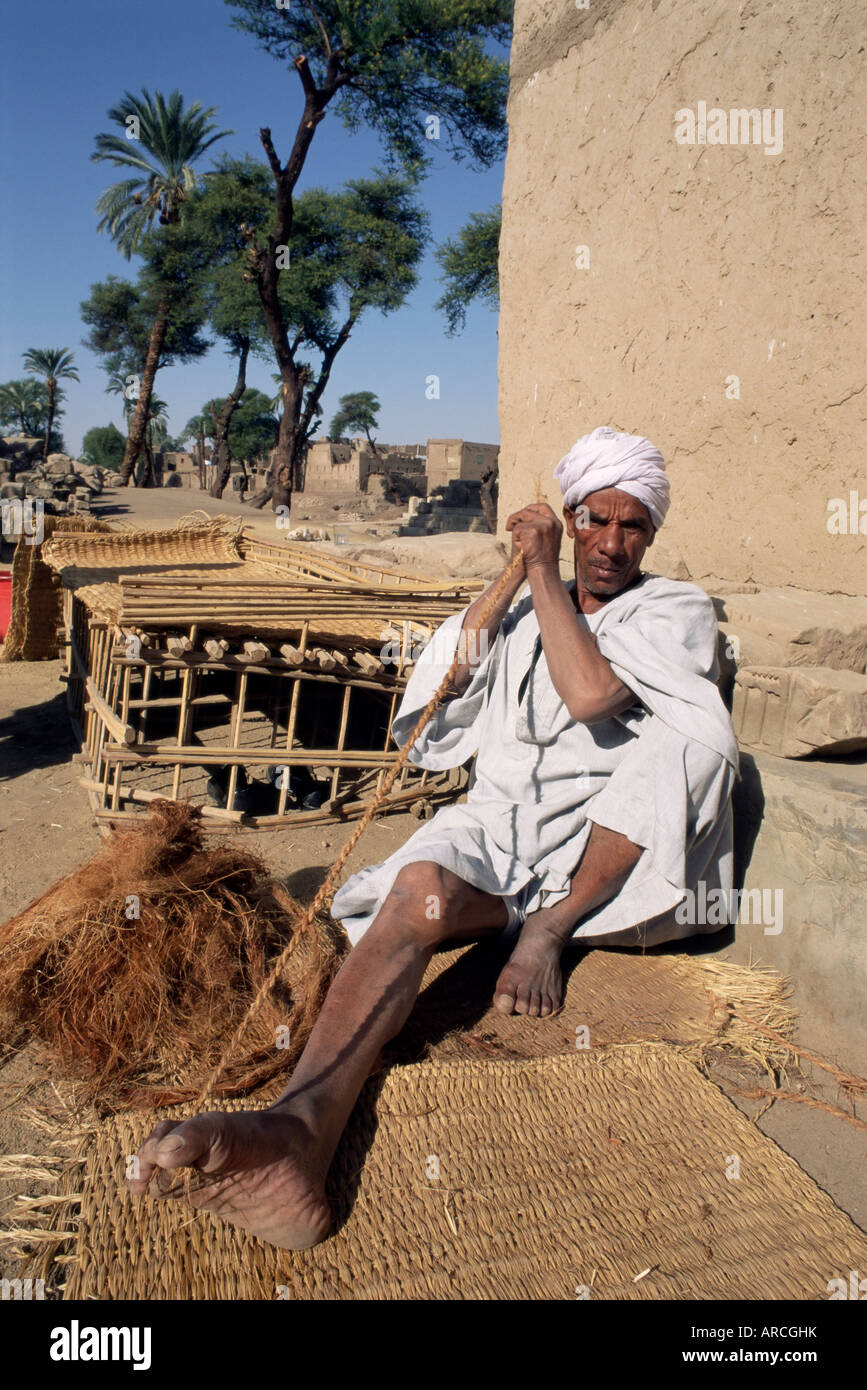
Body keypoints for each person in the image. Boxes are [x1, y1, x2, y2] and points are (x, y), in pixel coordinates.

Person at [129, 426, 739, 1251]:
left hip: (594, 852)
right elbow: (445, 687)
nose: (612, 543)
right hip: (496, 826)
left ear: (652, 535)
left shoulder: (675, 610)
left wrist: (542, 573)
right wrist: (513, 576)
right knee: (416, 891)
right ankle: (298, 1134)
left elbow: (592, 693)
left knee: (695, 737)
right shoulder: (526, 602)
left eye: (633, 526)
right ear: (570, 515)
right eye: (595, 521)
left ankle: (550, 928)